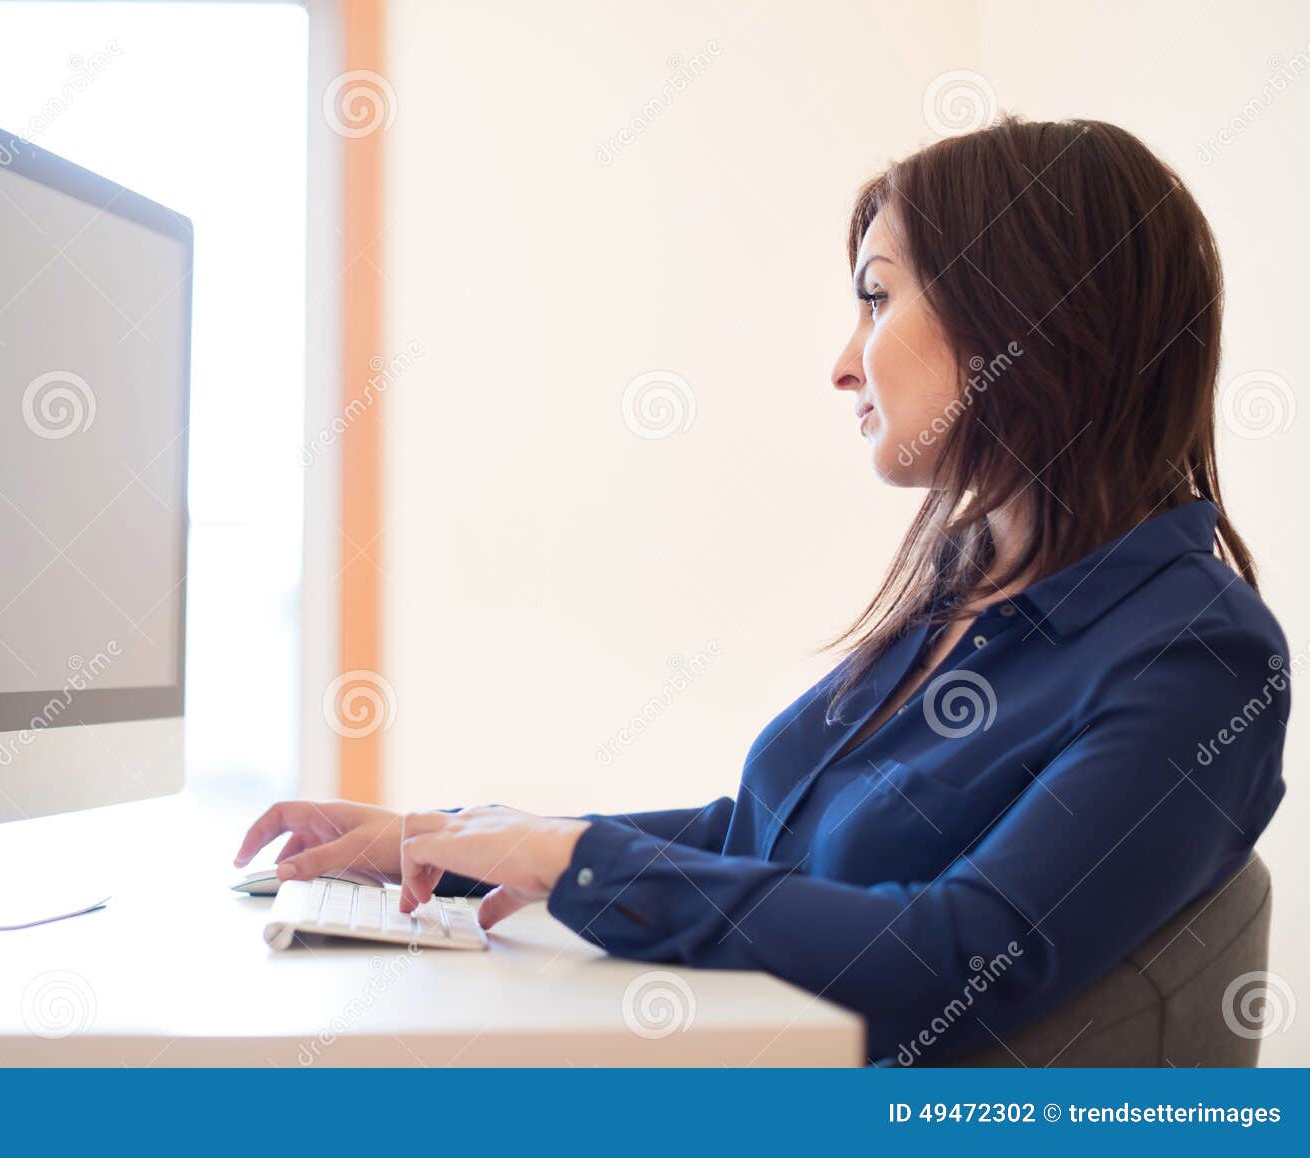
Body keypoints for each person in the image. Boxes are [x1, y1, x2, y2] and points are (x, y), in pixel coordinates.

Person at [235, 116, 1289, 1065]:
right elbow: (762, 837)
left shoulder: (1197, 656)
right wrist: (452, 843)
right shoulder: (972, 587)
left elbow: (948, 961)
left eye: (877, 298)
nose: (844, 364)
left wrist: (579, 861)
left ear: (1027, 317)